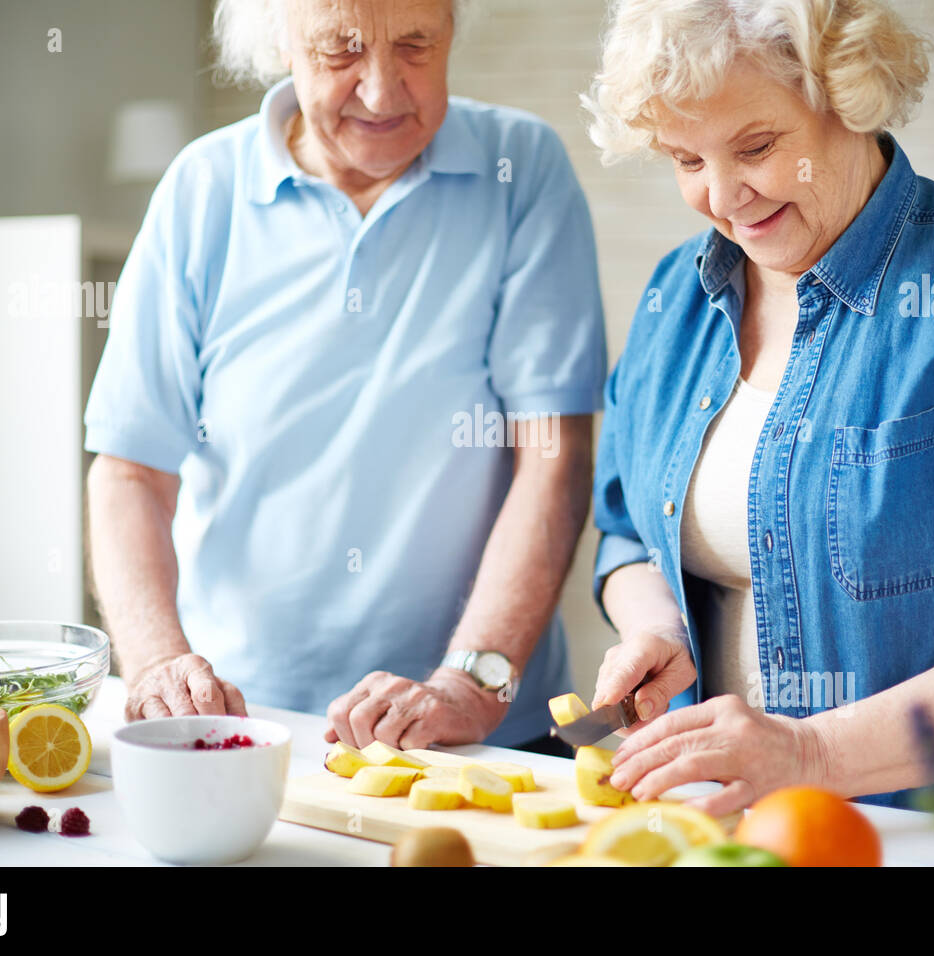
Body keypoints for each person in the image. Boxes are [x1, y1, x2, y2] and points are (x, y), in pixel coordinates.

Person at [581, 0, 934, 816]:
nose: (721, 196)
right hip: (723, 828)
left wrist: (808, 755)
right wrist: (656, 630)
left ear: (850, 97)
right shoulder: (676, 296)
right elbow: (628, 534)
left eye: (756, 146)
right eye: (684, 158)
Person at [83, 0, 606, 754]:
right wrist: (159, 661)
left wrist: (467, 685)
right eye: (341, 50)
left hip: (478, 733)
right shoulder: (202, 189)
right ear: (280, 45)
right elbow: (132, 472)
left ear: (454, 26)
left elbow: (552, 459)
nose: (384, 92)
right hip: (242, 729)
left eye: (416, 45)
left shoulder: (521, 168)